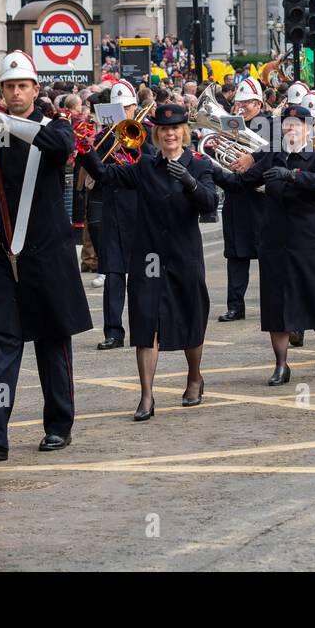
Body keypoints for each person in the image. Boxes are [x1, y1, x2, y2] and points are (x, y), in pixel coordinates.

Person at [0, 52, 93, 461]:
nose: (16, 92)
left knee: (53, 344)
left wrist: (12, 124)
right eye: (9, 87)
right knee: (3, 345)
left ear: (35, 90)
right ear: (0, 92)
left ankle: (59, 425)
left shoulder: (53, 126)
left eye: (22, 86)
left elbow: (60, 147)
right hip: (7, 254)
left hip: (47, 254)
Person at [82, 102, 218, 419]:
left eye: (175, 129)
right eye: (164, 129)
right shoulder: (145, 166)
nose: (170, 133)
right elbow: (103, 175)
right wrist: (86, 148)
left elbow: (210, 202)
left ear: (183, 132)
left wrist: (189, 181)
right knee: (145, 321)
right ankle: (146, 397)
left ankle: (194, 377)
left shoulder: (198, 164)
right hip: (148, 257)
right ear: (156, 133)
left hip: (184, 254)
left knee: (190, 316)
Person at [217, 103, 315, 382]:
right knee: (277, 304)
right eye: (286, 125)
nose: (290, 129)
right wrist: (209, 173)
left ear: (308, 130)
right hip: (276, 240)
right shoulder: (273, 156)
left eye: (296, 126)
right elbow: (242, 182)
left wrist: (294, 176)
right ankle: (281, 365)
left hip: (310, 241)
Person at [86, 79, 152, 349]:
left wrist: (132, 141)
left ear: (134, 107)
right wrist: (101, 140)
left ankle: (144, 326)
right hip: (113, 209)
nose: (122, 113)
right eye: (117, 108)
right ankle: (113, 331)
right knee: (113, 274)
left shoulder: (147, 131)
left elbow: (152, 161)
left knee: (142, 275)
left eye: (126, 108)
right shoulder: (103, 137)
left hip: (140, 208)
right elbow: (97, 170)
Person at [215, 76, 267, 324]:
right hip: (237, 198)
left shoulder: (270, 125)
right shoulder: (230, 125)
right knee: (235, 256)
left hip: (261, 201)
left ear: (259, 104)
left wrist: (253, 158)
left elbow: (276, 151)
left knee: (268, 255)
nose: (241, 106)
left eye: (247, 102)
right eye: (239, 102)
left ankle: (272, 303)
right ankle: (235, 305)